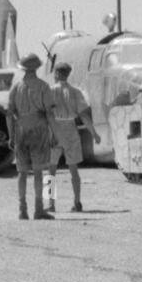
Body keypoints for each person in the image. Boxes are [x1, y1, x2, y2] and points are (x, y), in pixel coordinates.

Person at [6, 53, 57, 220]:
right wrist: (54, 133)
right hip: (39, 130)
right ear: (37, 68)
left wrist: (11, 136)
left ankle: (22, 209)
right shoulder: (43, 86)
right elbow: (49, 113)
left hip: (20, 130)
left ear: (23, 69)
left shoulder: (16, 87)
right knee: (38, 172)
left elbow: (9, 113)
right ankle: (39, 209)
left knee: (21, 173)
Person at [47, 62, 101, 212]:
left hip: (55, 129)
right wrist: (94, 133)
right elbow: (84, 115)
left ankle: (51, 204)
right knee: (74, 169)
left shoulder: (49, 91)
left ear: (56, 74)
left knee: (51, 169)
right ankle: (77, 202)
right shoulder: (76, 92)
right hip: (71, 129)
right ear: (68, 74)